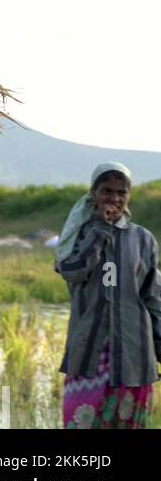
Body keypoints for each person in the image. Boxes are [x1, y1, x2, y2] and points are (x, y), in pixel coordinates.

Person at [55, 162, 161, 429]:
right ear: (93, 194)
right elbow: (73, 271)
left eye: (121, 192)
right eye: (107, 191)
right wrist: (100, 230)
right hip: (89, 349)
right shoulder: (78, 234)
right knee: (80, 421)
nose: (114, 198)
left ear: (129, 195)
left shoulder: (143, 239)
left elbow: (153, 297)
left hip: (134, 353)